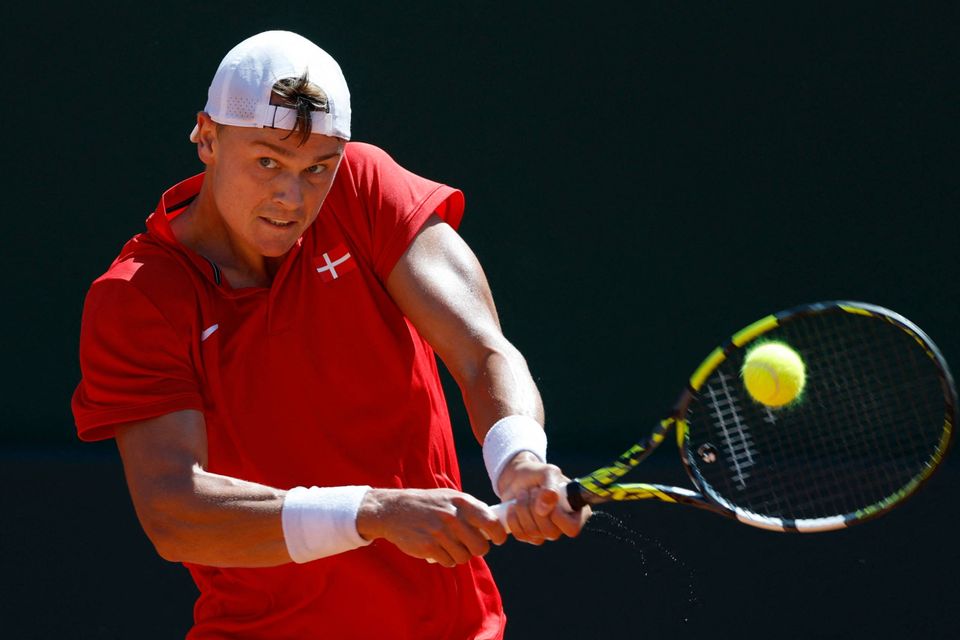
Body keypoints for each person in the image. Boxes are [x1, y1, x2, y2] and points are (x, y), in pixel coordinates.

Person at [71, 30, 588, 639]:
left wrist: (519, 459)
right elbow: (175, 512)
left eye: (318, 167)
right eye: (268, 162)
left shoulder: (365, 188)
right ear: (207, 138)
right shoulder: (136, 296)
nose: (291, 197)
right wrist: (371, 511)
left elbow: (482, 354)